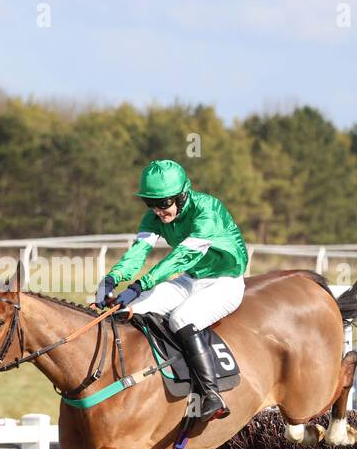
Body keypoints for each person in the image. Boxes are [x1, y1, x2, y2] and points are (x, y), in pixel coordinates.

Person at [93, 159, 249, 421]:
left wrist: (141, 283)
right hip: (191, 279)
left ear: (182, 194)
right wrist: (111, 279)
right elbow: (138, 252)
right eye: (150, 203)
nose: (158, 211)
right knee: (130, 309)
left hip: (225, 282)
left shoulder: (207, 209)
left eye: (164, 203)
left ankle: (212, 395)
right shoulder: (154, 217)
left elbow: (182, 256)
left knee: (181, 318)